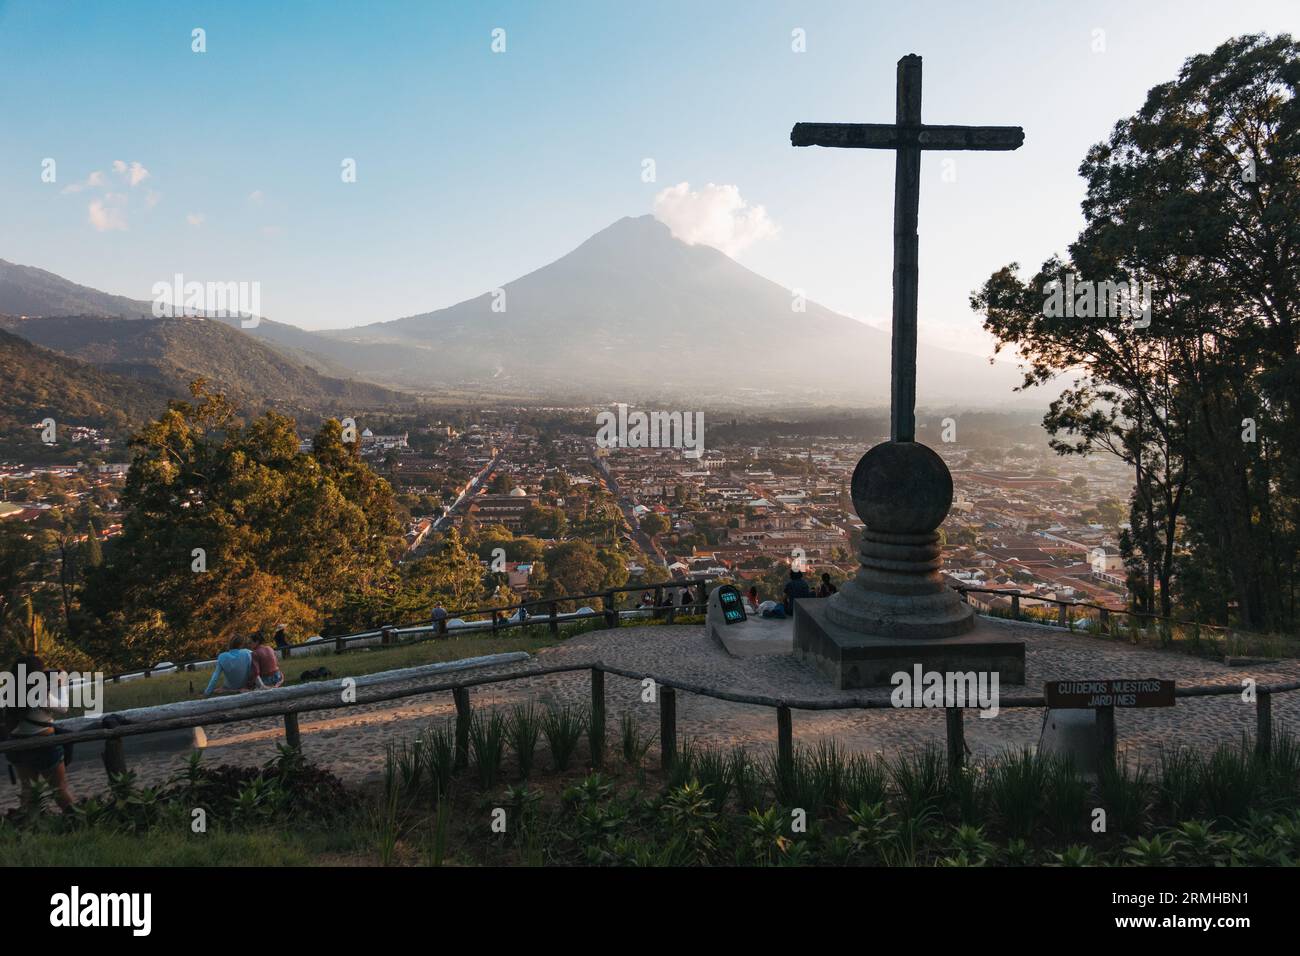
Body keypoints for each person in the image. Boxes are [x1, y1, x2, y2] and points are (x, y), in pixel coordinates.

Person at [1, 654, 75, 810]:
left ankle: (29, 825)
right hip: (44, 745)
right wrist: (60, 686)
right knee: (59, 789)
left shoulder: (8, 693)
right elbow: (63, 708)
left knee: (28, 790)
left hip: (17, 745)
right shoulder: (40, 694)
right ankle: (77, 821)